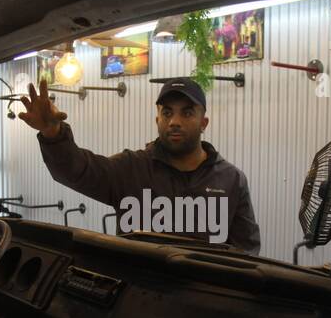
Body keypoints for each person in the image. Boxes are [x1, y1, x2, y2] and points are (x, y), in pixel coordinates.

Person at [18, 76, 261, 254]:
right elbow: (75, 171)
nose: (174, 121)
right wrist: (53, 133)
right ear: (158, 119)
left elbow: (247, 252)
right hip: (136, 302)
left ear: (203, 122)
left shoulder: (231, 180)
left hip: (204, 308)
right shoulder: (130, 169)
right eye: (167, 113)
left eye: (187, 113)